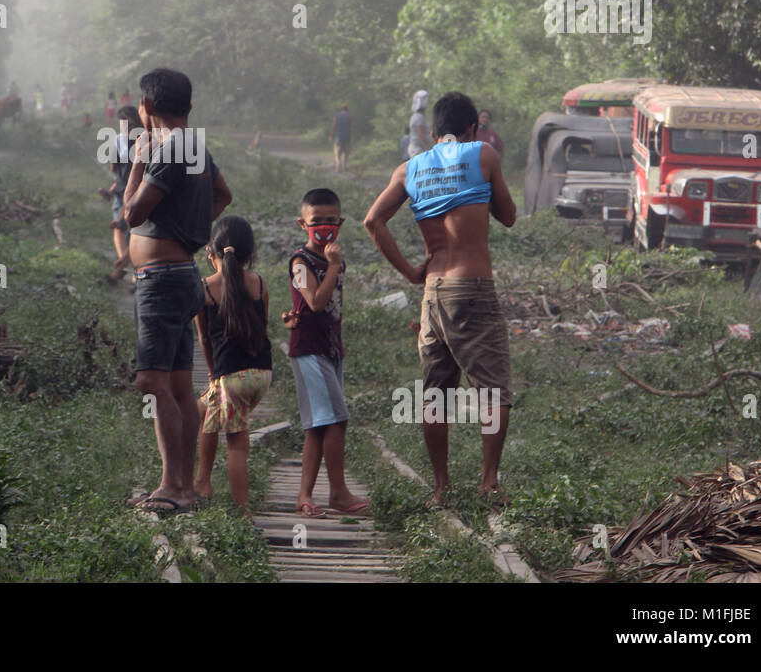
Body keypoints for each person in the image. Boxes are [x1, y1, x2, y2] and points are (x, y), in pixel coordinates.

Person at [363, 91, 517, 509]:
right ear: (472, 129)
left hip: (433, 292)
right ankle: (488, 482)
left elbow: (372, 220)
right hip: (474, 285)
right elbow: (508, 215)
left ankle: (441, 488)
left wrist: (411, 272)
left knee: (436, 394)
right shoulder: (483, 154)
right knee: (493, 390)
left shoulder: (409, 168)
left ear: (432, 133)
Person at [122, 68, 232, 515]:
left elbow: (131, 213)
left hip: (163, 279)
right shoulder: (196, 148)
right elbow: (224, 194)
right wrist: (190, 226)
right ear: (188, 107)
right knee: (181, 385)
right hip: (179, 275)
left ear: (145, 108)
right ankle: (183, 485)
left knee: (152, 381)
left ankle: (174, 485)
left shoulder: (167, 149)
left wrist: (137, 160)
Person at [281, 188, 369, 518]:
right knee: (336, 420)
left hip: (331, 349)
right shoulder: (300, 261)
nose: (325, 227)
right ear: (303, 223)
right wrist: (332, 266)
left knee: (318, 426)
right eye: (317, 221)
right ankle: (338, 493)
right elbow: (315, 302)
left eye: (331, 221)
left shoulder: (334, 259)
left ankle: (304, 495)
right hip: (309, 349)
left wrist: (334, 264)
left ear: (341, 222)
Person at [191, 216, 272, 519]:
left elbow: (203, 339)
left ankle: (244, 514)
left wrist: (214, 372)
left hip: (232, 377)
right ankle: (201, 481)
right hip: (261, 374)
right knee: (205, 409)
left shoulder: (206, 289)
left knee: (237, 445)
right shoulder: (260, 284)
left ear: (211, 253)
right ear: (250, 255)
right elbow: (262, 327)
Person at [99, 104, 143, 283]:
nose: (126, 125)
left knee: (129, 231)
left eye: (127, 122)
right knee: (125, 231)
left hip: (135, 193)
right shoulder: (137, 139)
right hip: (123, 191)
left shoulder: (141, 141)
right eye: (123, 122)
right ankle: (128, 267)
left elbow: (115, 168)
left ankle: (127, 267)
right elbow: (116, 170)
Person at [407, 89, 430, 158]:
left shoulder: (417, 116)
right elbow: (421, 134)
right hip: (418, 149)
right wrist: (425, 147)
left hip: (417, 148)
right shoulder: (418, 117)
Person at [331, 103, 352, 173]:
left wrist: (331, 135)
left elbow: (334, 126)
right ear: (347, 109)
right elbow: (353, 127)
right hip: (347, 136)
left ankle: (338, 165)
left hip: (338, 136)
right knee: (346, 152)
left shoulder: (337, 115)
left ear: (341, 109)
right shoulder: (350, 116)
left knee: (337, 152)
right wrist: (355, 136)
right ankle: (345, 166)